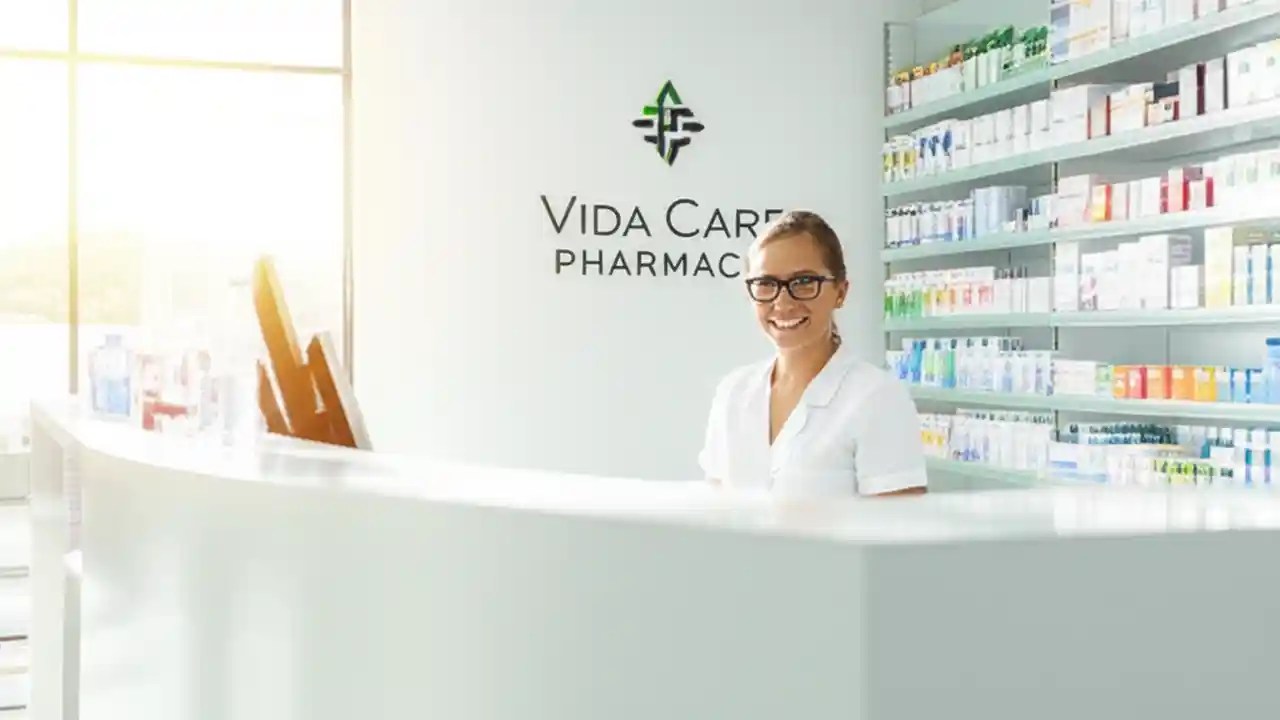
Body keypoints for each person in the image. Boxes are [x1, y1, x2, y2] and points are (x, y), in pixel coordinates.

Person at [699, 210, 927, 497]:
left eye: (804, 282)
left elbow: (903, 531)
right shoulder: (733, 393)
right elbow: (715, 517)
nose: (782, 302)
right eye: (766, 284)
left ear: (840, 291)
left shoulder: (877, 397)